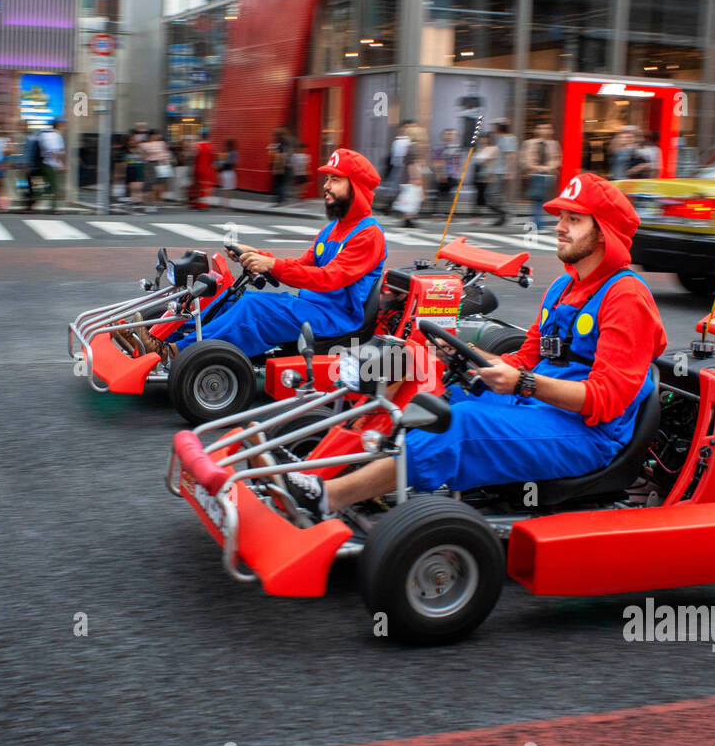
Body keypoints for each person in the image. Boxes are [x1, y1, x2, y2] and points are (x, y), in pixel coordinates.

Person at [282, 173, 667, 516]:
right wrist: (460, 353)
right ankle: (344, 466)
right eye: (561, 218)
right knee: (436, 398)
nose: (560, 228)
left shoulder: (625, 297)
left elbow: (608, 397)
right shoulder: (563, 287)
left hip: (587, 433)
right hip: (537, 404)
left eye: (574, 220)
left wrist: (524, 383)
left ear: (604, 233)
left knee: (460, 424)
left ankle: (330, 495)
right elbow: (526, 356)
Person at [134, 148, 387, 362]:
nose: (326, 186)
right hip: (312, 306)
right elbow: (301, 265)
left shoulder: (368, 235)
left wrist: (272, 264)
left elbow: (328, 279)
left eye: (335, 180)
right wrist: (258, 256)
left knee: (254, 308)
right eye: (327, 179)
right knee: (232, 301)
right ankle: (159, 339)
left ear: (355, 187)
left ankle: (174, 354)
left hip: (336, 318)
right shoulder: (332, 229)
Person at [522, 122, 561, 231]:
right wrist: (535, 167)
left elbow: (557, 159)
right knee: (536, 200)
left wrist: (547, 168)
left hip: (548, 175)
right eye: (541, 128)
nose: (545, 131)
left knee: (543, 200)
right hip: (534, 174)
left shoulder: (553, 144)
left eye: (547, 128)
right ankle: (537, 223)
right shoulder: (530, 143)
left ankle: (537, 222)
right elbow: (525, 158)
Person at [472, 130, 506, 227]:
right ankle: (500, 216)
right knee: (482, 198)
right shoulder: (480, 149)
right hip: (479, 176)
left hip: (489, 177)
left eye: (486, 138)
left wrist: (489, 175)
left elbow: (490, 163)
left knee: (490, 199)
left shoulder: (493, 148)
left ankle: (502, 214)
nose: (483, 140)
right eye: (482, 139)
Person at [38, 120, 66, 212]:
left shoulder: (44, 135)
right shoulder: (55, 136)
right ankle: (52, 208)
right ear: (58, 125)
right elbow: (56, 151)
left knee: (50, 185)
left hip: (45, 163)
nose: (64, 127)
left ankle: (38, 197)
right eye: (62, 125)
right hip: (51, 164)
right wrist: (61, 164)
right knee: (53, 186)